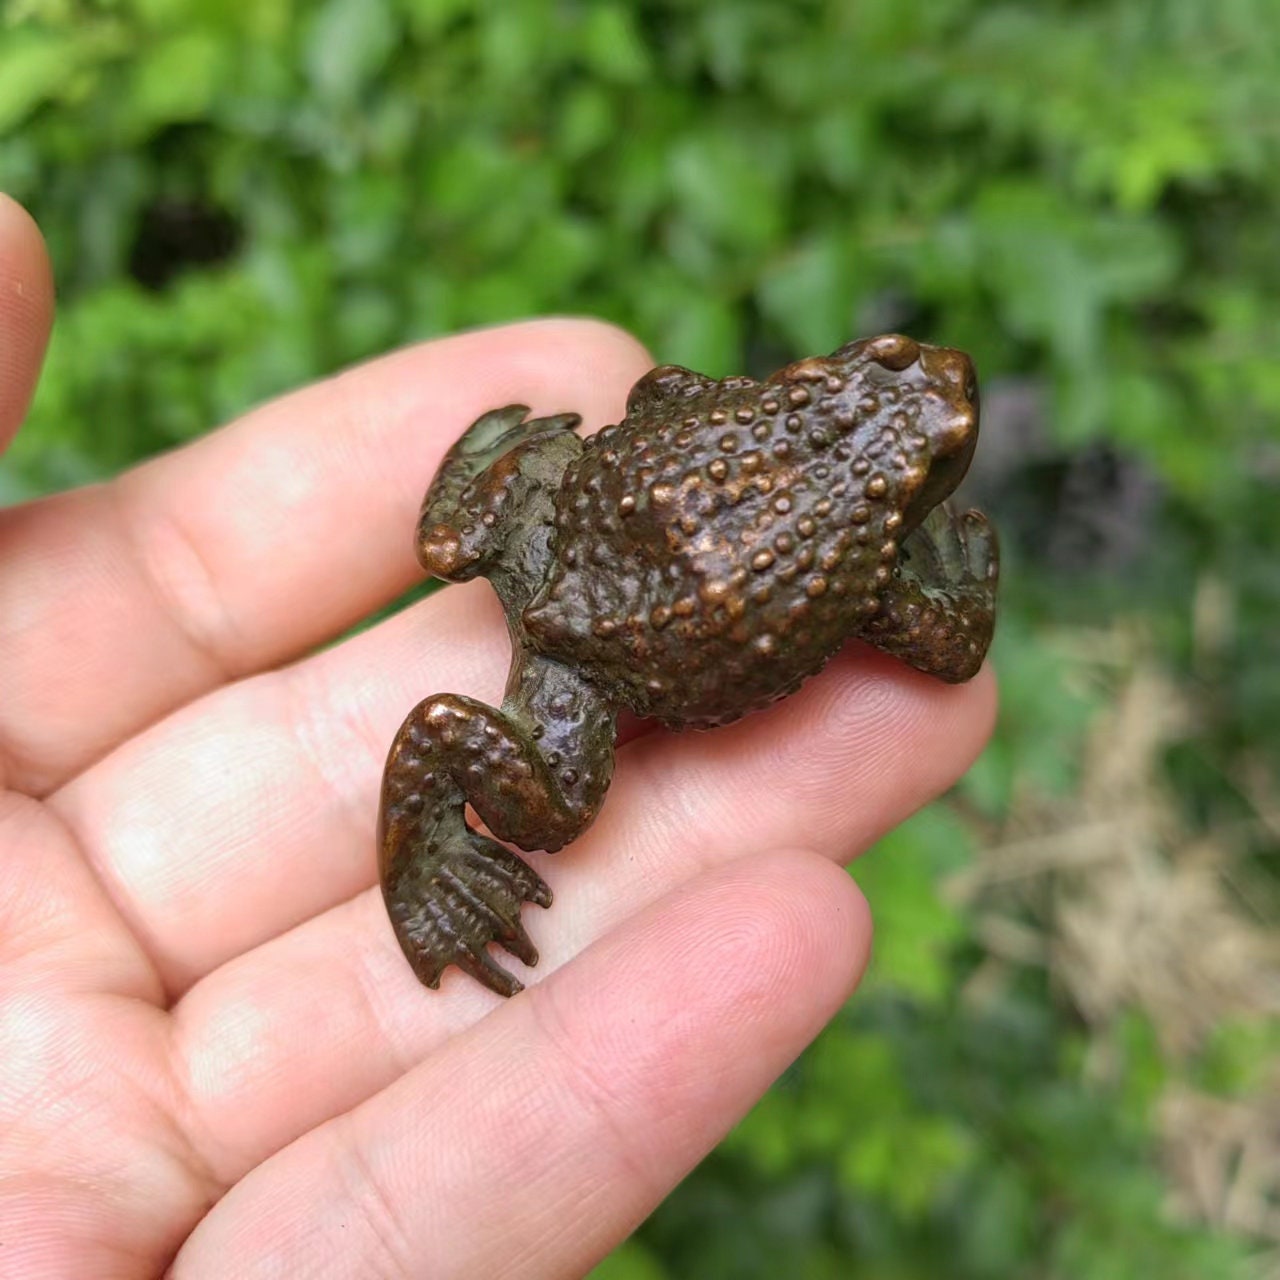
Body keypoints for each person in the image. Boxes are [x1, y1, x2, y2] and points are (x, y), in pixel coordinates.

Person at [0, 193, 995, 1278]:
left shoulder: (763, 417)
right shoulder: (870, 553)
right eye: (892, 360)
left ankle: (472, 510)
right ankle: (427, 843)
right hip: (589, 656)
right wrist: (961, 579)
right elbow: (949, 648)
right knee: (558, 813)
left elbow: (659, 391)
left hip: (569, 545)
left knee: (477, 575)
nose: (937, 373)